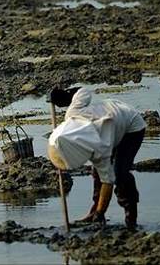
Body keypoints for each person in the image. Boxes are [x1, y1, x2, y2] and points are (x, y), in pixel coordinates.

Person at [48, 87, 146, 229]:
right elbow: (83, 92)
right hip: (110, 118)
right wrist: (67, 96)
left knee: (120, 173)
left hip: (131, 126)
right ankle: (94, 212)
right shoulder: (72, 114)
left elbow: (108, 181)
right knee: (96, 172)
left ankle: (131, 217)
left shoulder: (101, 148)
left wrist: (101, 211)